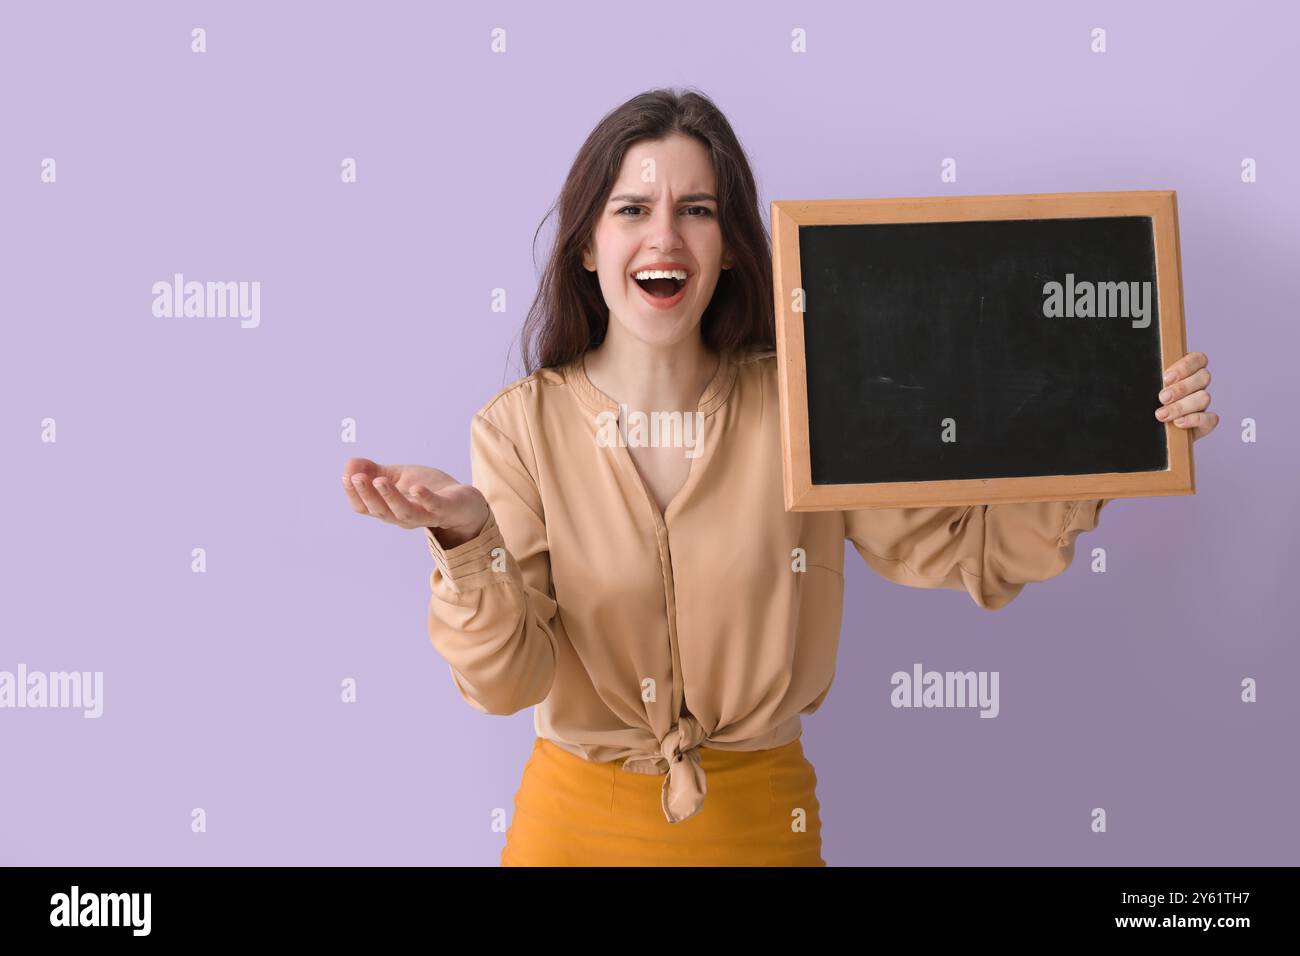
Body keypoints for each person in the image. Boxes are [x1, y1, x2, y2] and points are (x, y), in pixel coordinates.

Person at [341, 88, 1219, 866]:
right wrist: (467, 539)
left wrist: (1117, 425)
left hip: (764, 831)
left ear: (730, 247)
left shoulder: (810, 402)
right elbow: (508, 681)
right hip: (569, 836)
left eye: (696, 210)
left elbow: (965, 551)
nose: (664, 237)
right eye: (632, 209)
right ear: (587, 246)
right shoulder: (517, 429)